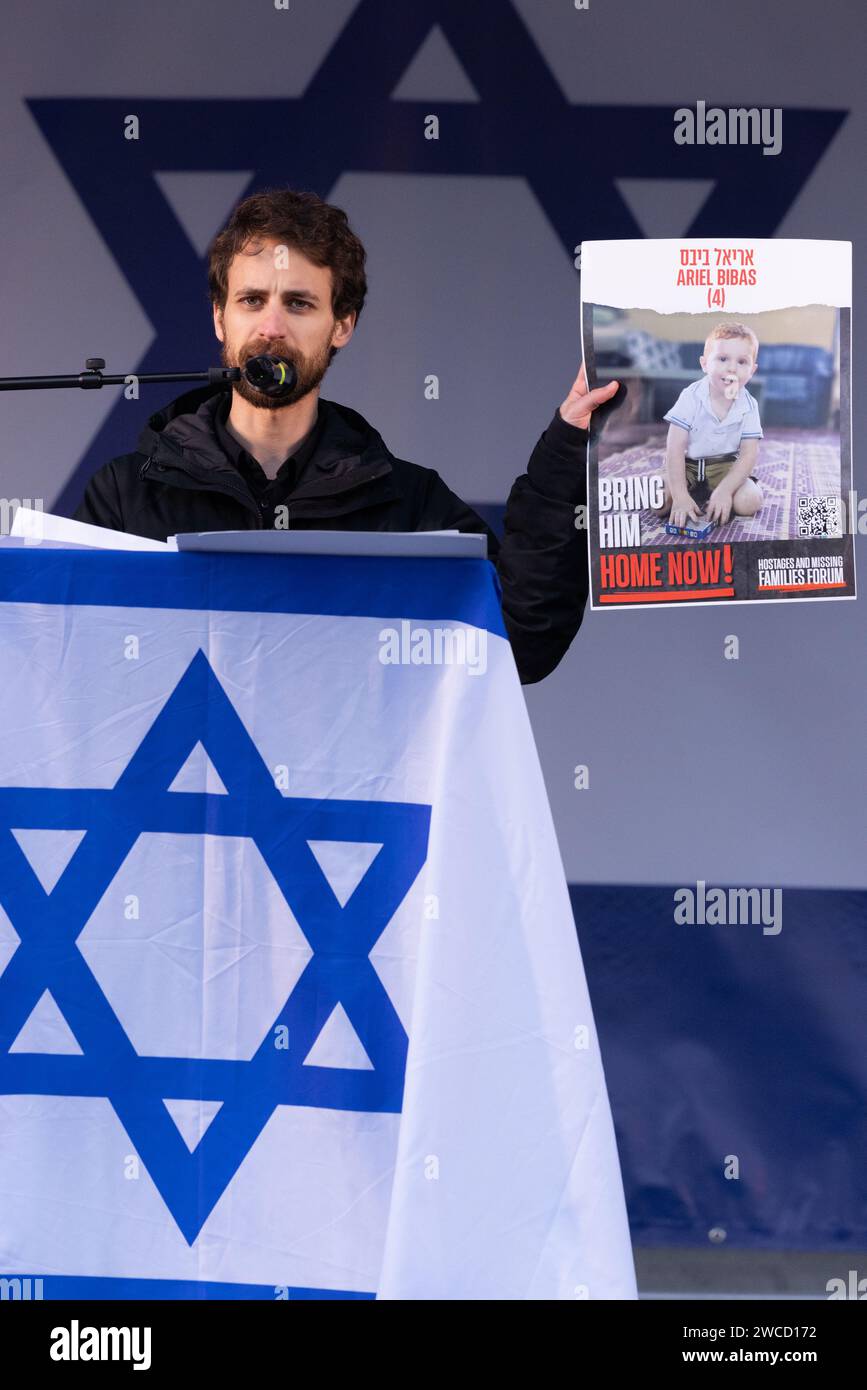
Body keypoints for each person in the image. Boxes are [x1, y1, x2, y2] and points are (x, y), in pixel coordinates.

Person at [74, 188, 618, 684]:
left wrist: (567, 446)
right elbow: (65, 663)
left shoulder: (406, 503)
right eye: (251, 300)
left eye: (299, 303)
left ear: (343, 325)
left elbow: (519, 641)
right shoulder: (125, 496)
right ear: (220, 319)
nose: (271, 326)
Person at [654, 323, 764, 529]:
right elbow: (675, 447)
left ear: (752, 371)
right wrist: (679, 496)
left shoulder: (749, 405)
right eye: (722, 359)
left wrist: (726, 490)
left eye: (742, 362)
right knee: (658, 501)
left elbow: (749, 454)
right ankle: (683, 491)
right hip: (687, 465)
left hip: (725, 467)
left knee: (750, 502)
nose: (732, 368)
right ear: (705, 364)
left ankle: (718, 494)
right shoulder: (691, 396)